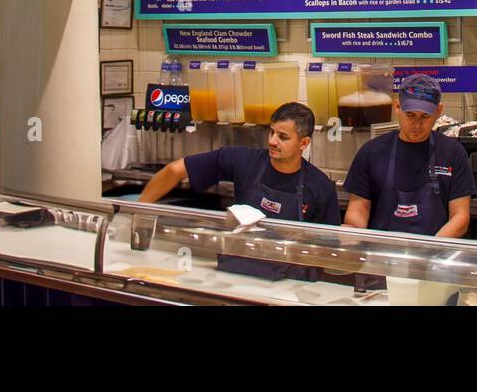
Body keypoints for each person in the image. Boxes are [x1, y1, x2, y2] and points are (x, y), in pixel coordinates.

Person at [139, 101, 339, 280]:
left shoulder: (320, 187)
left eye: (282, 137)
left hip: (288, 287)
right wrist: (140, 210)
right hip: (236, 277)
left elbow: (331, 252)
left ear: (303, 143)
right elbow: (175, 170)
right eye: (271, 132)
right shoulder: (244, 160)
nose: (272, 141)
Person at [342, 74, 476, 237]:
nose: (417, 124)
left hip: (434, 255)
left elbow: (460, 217)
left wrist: (429, 250)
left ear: (438, 111)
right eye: (410, 115)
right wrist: (353, 235)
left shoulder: (453, 153)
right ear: (397, 107)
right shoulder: (371, 152)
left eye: (425, 116)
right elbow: (358, 210)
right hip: (383, 255)